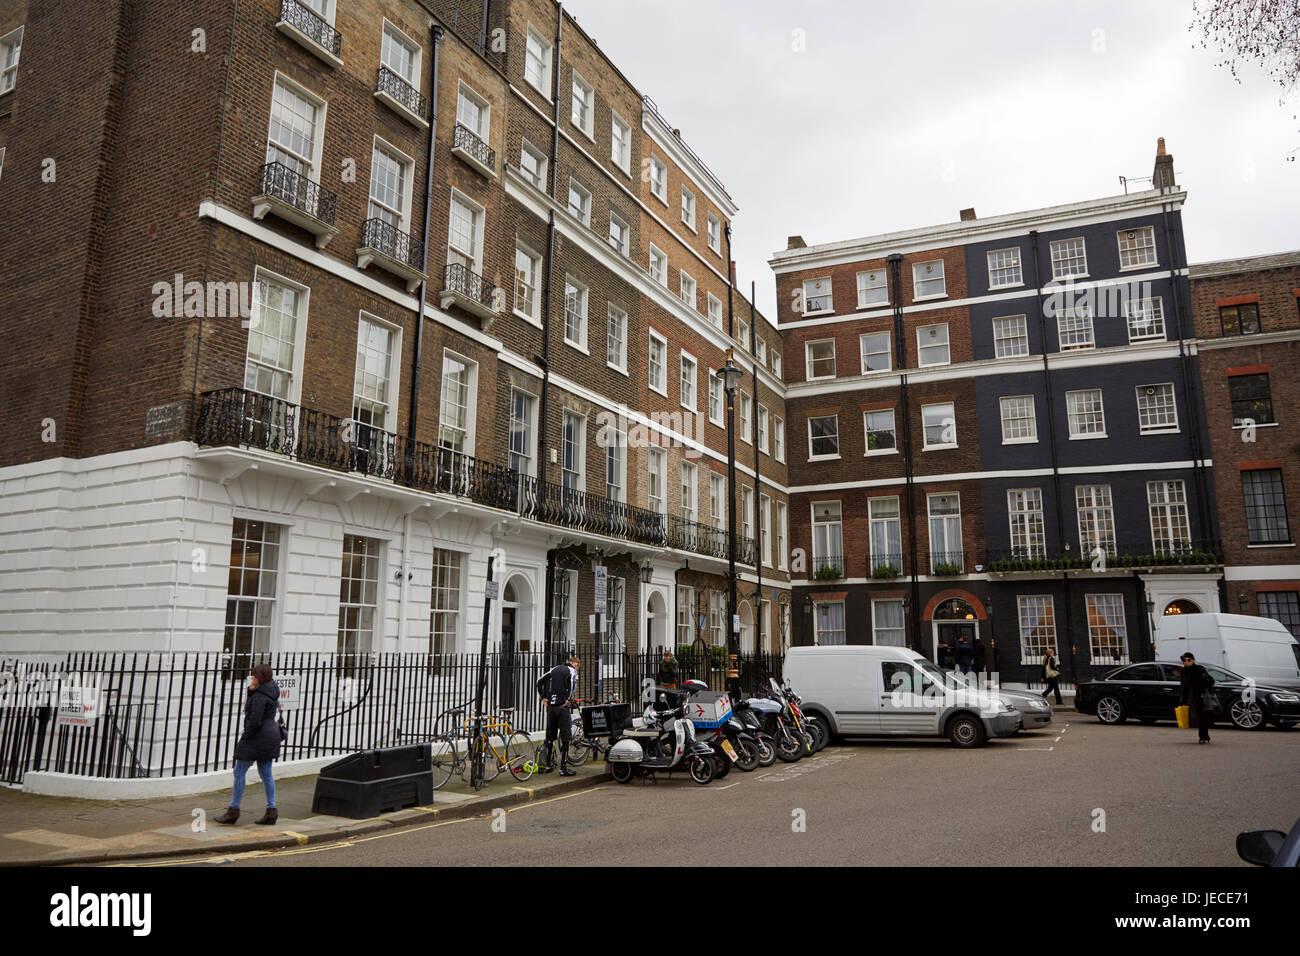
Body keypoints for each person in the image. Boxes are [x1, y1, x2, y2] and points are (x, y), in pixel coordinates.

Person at [215, 663, 281, 825]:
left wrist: (246, 736)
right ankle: (271, 811)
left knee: (239, 771)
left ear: (260, 678)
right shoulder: (271, 690)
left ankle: (233, 811)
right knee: (266, 774)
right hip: (271, 735)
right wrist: (251, 690)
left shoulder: (259, 696)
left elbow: (255, 721)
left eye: (254, 676)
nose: (252, 678)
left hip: (257, 737)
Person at [536, 655, 580, 776]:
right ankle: (563, 768)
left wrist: (543, 698)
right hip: (562, 707)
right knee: (566, 738)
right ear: (572, 663)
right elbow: (572, 685)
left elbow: (539, 681)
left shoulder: (554, 669)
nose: (577, 667)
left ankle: (548, 765)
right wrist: (568, 699)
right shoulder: (572, 671)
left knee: (550, 737)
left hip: (551, 708)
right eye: (577, 664)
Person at [1179, 652, 1216, 743]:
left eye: (1189, 660)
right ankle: (1205, 736)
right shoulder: (1183, 671)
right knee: (1198, 718)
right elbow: (1184, 686)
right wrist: (1183, 699)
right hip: (1192, 698)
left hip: (1201, 696)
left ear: (1193, 660)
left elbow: (1211, 681)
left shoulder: (1200, 669)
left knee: (1202, 717)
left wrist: (1205, 680)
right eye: (1184, 660)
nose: (1186, 662)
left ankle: (1203, 737)